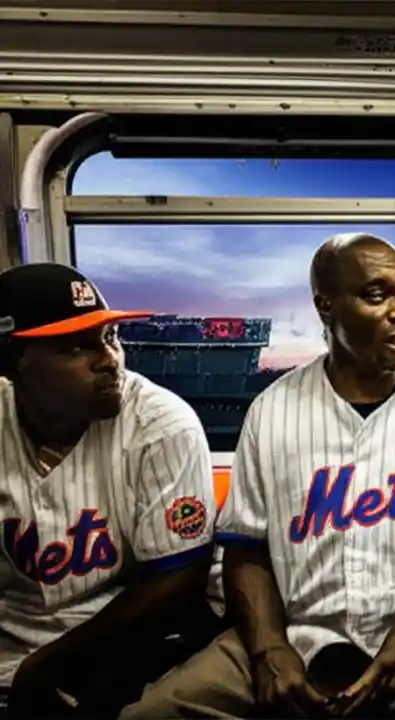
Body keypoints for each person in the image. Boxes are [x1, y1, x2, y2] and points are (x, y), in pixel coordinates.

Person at [122, 232, 395, 718]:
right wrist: (268, 649)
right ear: (325, 306)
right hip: (300, 624)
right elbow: (246, 546)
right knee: (156, 712)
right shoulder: (272, 410)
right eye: (378, 295)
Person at [0, 263, 221, 717]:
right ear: (13, 362)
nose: (108, 359)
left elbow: (179, 578)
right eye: (76, 347)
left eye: (111, 337)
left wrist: (48, 665)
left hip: (121, 637)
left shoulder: (160, 424)